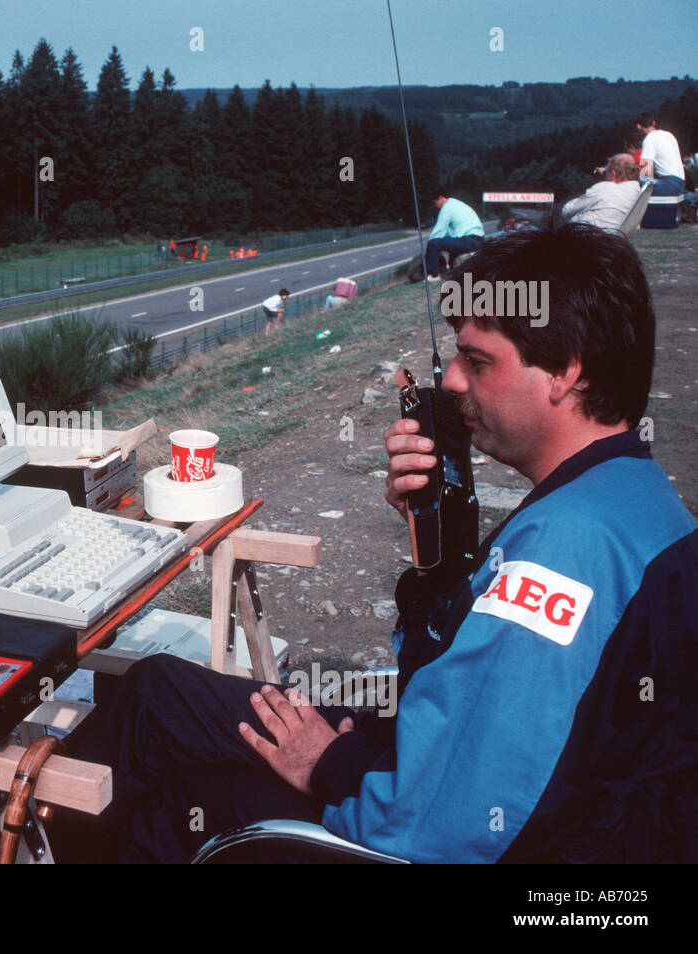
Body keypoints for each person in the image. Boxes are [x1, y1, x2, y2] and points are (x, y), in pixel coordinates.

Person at [46, 224, 697, 863]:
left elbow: (456, 819)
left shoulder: (566, 552)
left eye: (478, 361)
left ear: (564, 373)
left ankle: (45, 839)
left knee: (178, 799)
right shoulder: (634, 496)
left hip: (410, 816)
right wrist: (438, 537)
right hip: (427, 765)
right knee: (160, 695)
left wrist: (329, 763)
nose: (454, 383)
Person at [559, 153, 642, 231]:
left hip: (589, 236)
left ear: (613, 173)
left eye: (607, 173)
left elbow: (567, 211)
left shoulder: (603, 188)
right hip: (617, 236)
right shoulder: (637, 190)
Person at [422, 192, 485, 281]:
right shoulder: (456, 204)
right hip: (478, 239)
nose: (436, 206)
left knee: (433, 243)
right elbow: (451, 233)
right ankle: (453, 271)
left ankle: (434, 275)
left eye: (435, 203)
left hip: (469, 239)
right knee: (451, 244)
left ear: (441, 198)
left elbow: (439, 230)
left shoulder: (447, 208)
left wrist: (430, 246)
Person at [636, 111, 685, 197]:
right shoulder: (668, 134)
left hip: (671, 185)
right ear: (654, 123)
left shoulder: (649, 139)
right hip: (681, 182)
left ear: (638, 126)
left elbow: (645, 172)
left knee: (640, 183)